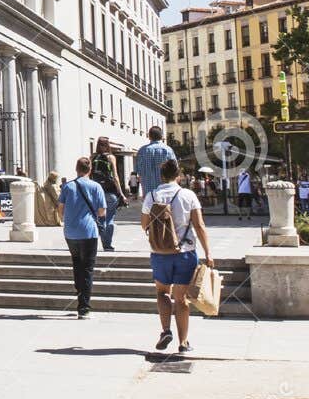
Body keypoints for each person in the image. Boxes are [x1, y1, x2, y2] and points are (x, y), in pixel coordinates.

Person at [141, 158, 215, 354]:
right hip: (185, 253)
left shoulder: (151, 195)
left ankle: (165, 330)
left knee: (162, 293)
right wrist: (208, 252)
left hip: (160, 253)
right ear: (179, 176)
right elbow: (199, 225)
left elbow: (144, 225)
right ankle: (183, 343)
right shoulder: (188, 195)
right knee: (181, 299)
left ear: (161, 176)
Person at [58, 158, 108, 319]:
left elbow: (60, 210)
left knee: (77, 264)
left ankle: (80, 295)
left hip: (70, 232)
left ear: (76, 168)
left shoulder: (68, 187)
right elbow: (102, 212)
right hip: (88, 232)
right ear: (90, 169)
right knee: (87, 269)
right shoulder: (96, 186)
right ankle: (84, 307)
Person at [90, 137, 124, 251]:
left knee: (99, 218)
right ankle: (107, 244)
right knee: (110, 218)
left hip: (96, 192)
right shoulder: (110, 157)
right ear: (108, 145)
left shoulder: (93, 157)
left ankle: (103, 241)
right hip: (110, 192)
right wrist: (121, 193)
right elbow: (115, 176)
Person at [132, 126, 175, 198]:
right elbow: (174, 170)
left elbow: (137, 170)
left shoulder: (142, 151)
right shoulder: (168, 150)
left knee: (149, 209)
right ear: (161, 136)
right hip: (165, 192)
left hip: (148, 193)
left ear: (149, 137)